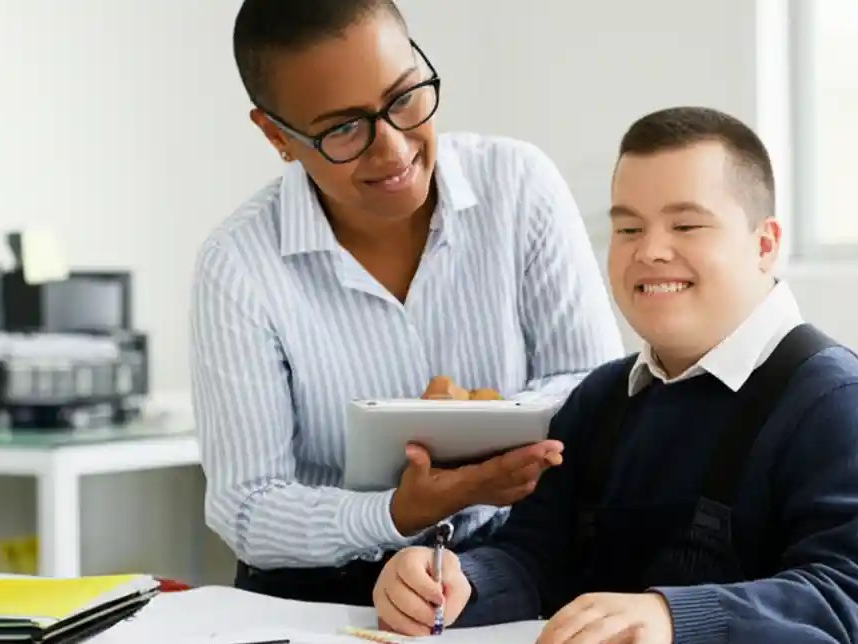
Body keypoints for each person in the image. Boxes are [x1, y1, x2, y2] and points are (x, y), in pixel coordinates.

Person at [372, 106, 858, 644]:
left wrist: (668, 616)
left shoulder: (843, 406)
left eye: (686, 225)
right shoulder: (601, 398)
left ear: (765, 244)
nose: (650, 250)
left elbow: (850, 605)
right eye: (628, 228)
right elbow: (534, 557)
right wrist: (453, 583)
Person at [190, 0, 623, 606]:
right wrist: (396, 511)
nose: (392, 149)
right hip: (321, 599)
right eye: (343, 129)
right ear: (276, 136)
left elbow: (597, 392)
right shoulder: (238, 264)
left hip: (509, 571)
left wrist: (486, 423)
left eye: (404, 98)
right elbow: (248, 508)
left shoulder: (519, 184)